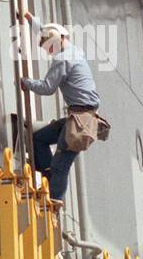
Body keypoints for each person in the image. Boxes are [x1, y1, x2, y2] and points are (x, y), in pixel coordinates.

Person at [19, 12, 100, 203]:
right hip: (80, 116)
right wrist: (32, 21)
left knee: (61, 166)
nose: (50, 52)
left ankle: (54, 202)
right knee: (38, 139)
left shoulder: (63, 60)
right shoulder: (74, 50)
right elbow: (50, 32)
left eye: (51, 47)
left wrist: (26, 82)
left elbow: (47, 88)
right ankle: (48, 179)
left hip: (80, 122)